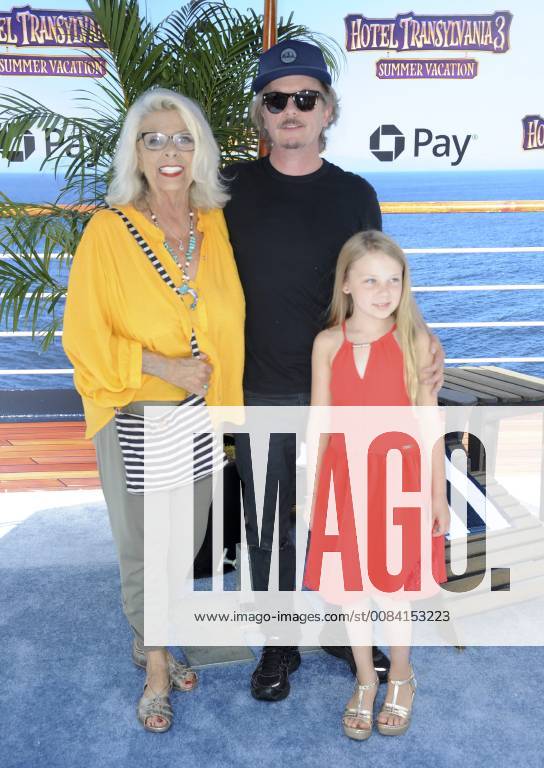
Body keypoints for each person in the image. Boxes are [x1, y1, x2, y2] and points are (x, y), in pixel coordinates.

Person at [223, 39, 444, 701]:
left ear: (328, 110)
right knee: (269, 528)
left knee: (352, 521)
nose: (291, 109)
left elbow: (384, 277)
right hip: (262, 387)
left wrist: (425, 335)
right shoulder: (228, 189)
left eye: (305, 97)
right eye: (276, 99)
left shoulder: (354, 192)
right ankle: (278, 644)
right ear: (261, 113)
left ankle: (340, 631)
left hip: (351, 392)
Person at [63, 88, 245, 732]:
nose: (170, 151)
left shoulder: (213, 225)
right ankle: (157, 667)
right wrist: (163, 366)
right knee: (145, 546)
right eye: (154, 139)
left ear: (200, 151)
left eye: (182, 138)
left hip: (194, 415)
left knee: (184, 544)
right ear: (135, 153)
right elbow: (83, 337)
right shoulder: (107, 233)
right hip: (137, 408)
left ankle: (156, 633)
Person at [304, 230, 450, 739]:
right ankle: (366, 679)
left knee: (394, 590)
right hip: (344, 482)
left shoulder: (417, 342)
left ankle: (401, 677)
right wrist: (312, 492)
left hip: (399, 482)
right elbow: (319, 424)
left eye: (394, 279)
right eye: (370, 279)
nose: (383, 290)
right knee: (352, 590)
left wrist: (438, 495)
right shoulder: (327, 343)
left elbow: (430, 426)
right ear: (346, 284)